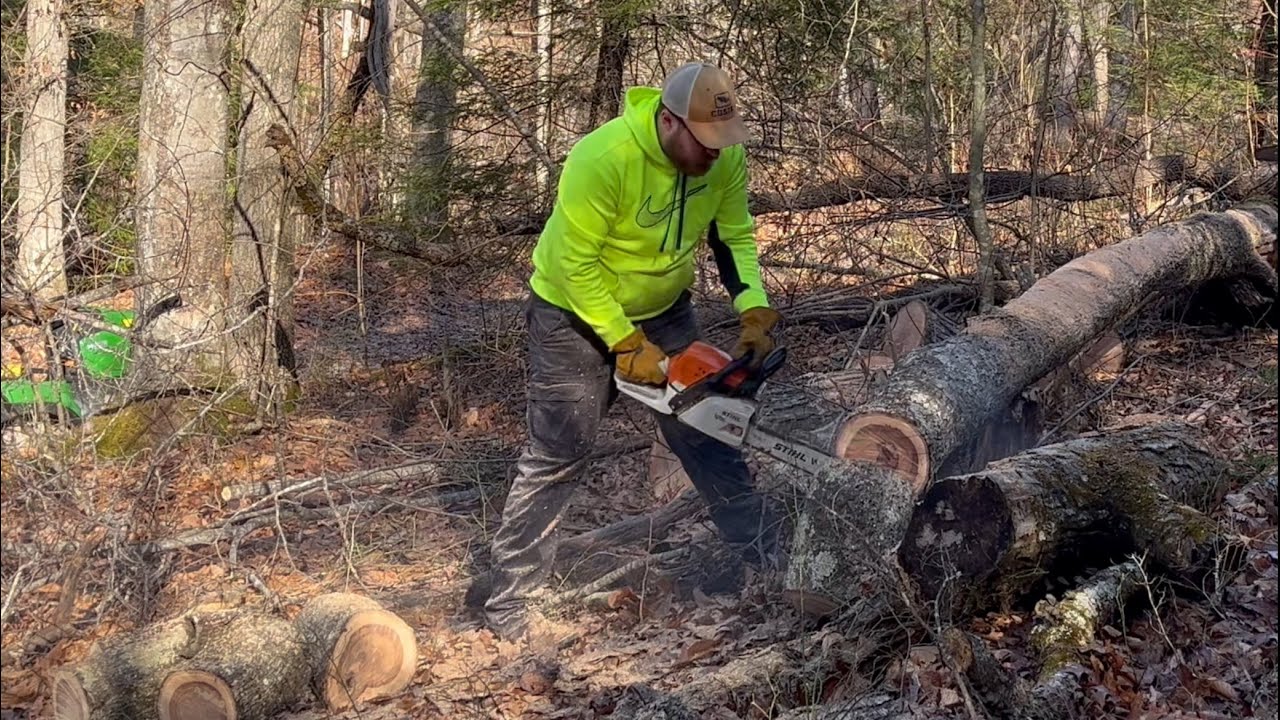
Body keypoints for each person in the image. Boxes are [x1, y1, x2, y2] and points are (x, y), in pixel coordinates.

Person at [484, 61, 783, 641]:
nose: (716, 155)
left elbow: (734, 236)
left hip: (665, 309)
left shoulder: (725, 158)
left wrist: (753, 306)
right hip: (571, 313)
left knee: (708, 427)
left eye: (724, 142)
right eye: (705, 143)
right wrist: (623, 341)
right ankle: (510, 606)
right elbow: (574, 263)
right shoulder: (602, 158)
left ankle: (764, 558)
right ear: (669, 122)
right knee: (560, 451)